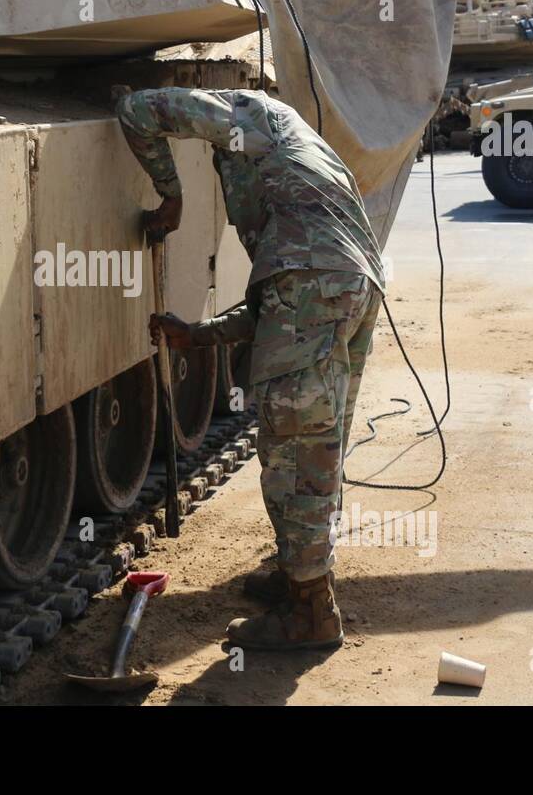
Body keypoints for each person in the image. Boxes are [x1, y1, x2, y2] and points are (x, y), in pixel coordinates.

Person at [115, 86, 385, 651]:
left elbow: (140, 110)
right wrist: (199, 334)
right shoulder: (300, 158)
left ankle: (311, 612)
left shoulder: (251, 113)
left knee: (294, 452)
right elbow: (273, 309)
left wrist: (171, 196)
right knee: (319, 441)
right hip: (353, 285)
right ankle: (299, 577)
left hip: (314, 282)